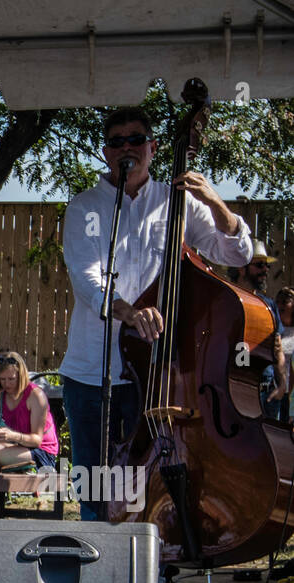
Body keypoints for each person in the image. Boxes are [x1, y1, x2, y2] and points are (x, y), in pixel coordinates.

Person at [60, 104, 253, 519]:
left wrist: (215, 202)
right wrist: (129, 312)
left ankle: (149, 573)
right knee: (94, 490)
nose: (126, 147)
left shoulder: (177, 202)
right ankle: (96, 576)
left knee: (144, 488)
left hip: (156, 374)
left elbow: (237, 251)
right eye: (116, 142)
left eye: (135, 139)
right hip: (90, 370)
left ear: (153, 147)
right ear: (106, 151)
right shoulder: (84, 208)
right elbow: (86, 278)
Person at [0, 350, 60, 518]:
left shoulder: (35, 395)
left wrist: (11, 436)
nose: (7, 384)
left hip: (41, 451)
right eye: (2, 379)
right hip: (17, 446)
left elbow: (37, 440)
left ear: (21, 375)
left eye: (11, 379)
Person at [230, 242, 286, 421]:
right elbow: (239, 346)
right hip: (236, 392)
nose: (265, 270)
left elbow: (277, 347)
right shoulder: (228, 300)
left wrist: (282, 384)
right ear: (241, 268)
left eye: (267, 265)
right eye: (259, 265)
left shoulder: (268, 305)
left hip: (267, 392)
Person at [271, 286, 293, 425]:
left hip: (289, 397)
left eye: (285, 301)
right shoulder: (272, 328)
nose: (280, 305)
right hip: (272, 391)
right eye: (278, 301)